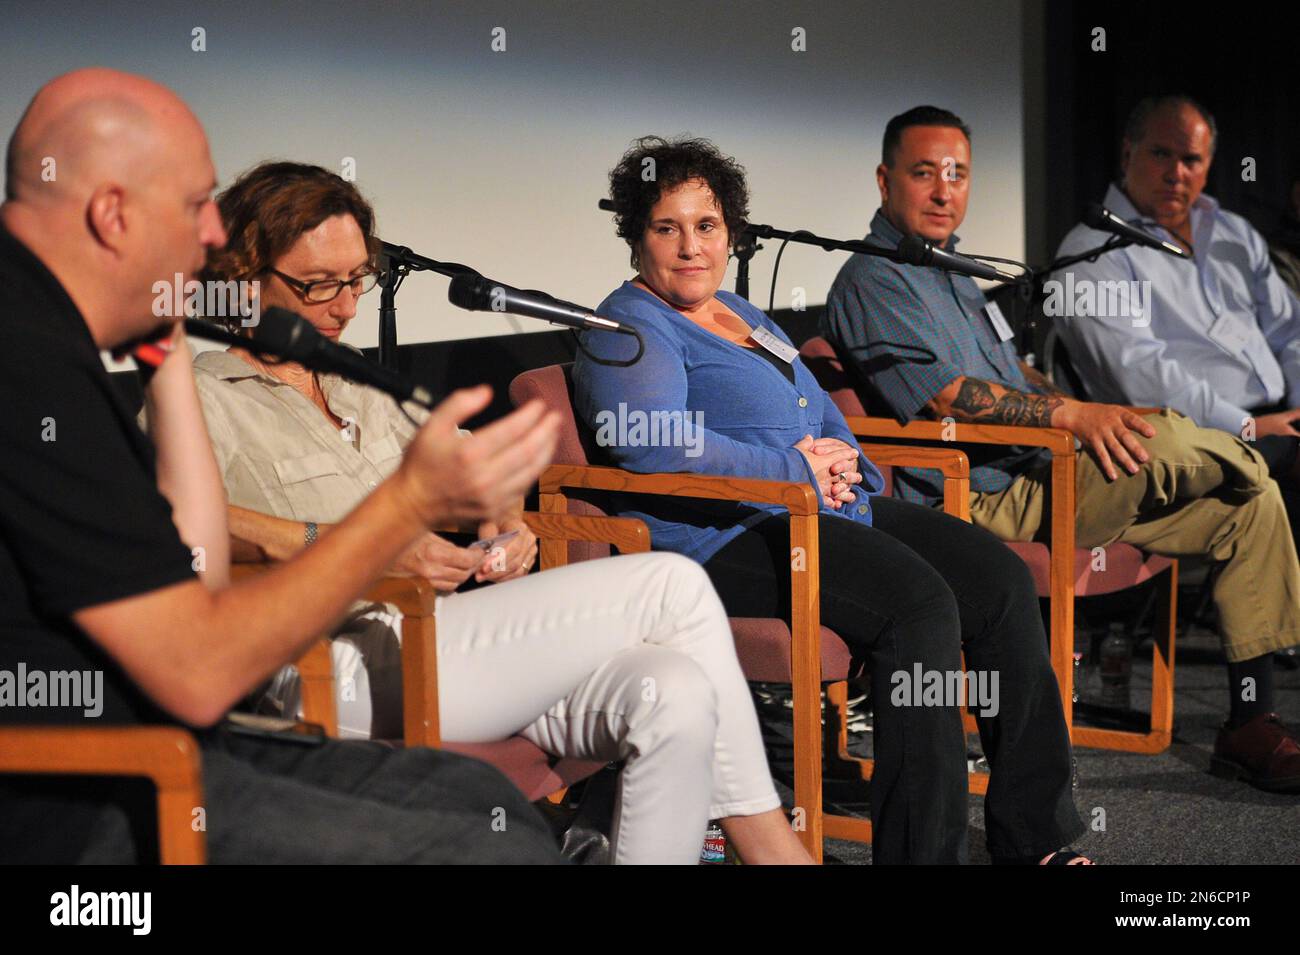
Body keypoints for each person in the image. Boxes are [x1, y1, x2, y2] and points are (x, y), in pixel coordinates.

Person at [0, 68, 564, 864]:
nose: (209, 238)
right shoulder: (26, 362)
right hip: (89, 798)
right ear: (113, 213)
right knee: (488, 850)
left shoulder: (57, 336)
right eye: (197, 204)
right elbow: (197, 671)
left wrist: (161, 351)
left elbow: (190, 564)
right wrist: (403, 507)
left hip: (179, 739)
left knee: (481, 795)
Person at [181, 160, 810, 865]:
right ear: (245, 275)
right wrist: (367, 546)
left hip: (443, 637)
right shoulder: (200, 397)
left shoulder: (359, 384)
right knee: (671, 585)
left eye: (356, 279)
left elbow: (485, 472)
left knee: (675, 691)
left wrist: (505, 526)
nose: (346, 306)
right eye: (318, 284)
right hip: (329, 662)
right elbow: (187, 531)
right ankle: (777, 854)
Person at [575, 135, 1091, 865]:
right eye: (668, 228)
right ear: (635, 238)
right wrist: (790, 466)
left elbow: (809, 398)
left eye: (707, 225)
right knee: (917, 606)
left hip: (813, 506)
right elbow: (653, 444)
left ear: (731, 233)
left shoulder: (737, 310)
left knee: (998, 580)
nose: (691, 246)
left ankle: (1034, 833)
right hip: (717, 537)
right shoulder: (627, 325)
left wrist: (848, 460)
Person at [822, 105, 1300, 794]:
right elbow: (949, 398)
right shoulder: (873, 280)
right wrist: (1078, 413)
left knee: (1244, 506)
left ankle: (1252, 719)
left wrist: (1091, 410)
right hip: (981, 498)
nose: (943, 190)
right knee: (1165, 440)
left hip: (1043, 474)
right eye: (923, 172)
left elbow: (1016, 377)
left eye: (957, 174)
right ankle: (1261, 449)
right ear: (884, 179)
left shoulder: (952, 269)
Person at [1052, 97, 1300, 553]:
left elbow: (1291, 331)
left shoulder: (1233, 233)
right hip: (1201, 438)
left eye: (1191, 159)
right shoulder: (1091, 252)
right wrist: (1248, 426)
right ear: (1128, 154)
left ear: (1207, 166)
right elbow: (1141, 376)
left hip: (1281, 419)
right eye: (1161, 154)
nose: (1176, 173)